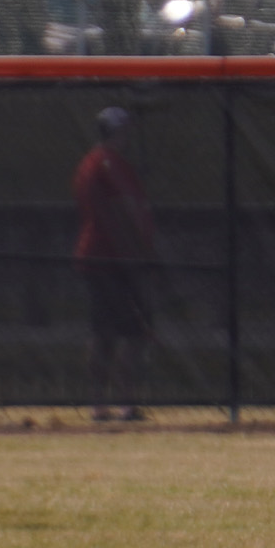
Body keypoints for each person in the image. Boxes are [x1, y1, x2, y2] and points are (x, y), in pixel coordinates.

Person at [72, 106, 155, 422]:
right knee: (124, 333)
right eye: (126, 129)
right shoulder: (107, 163)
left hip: (110, 258)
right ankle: (121, 402)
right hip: (111, 259)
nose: (130, 134)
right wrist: (139, 250)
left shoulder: (100, 162)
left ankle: (106, 402)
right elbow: (127, 212)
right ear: (117, 131)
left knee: (110, 332)